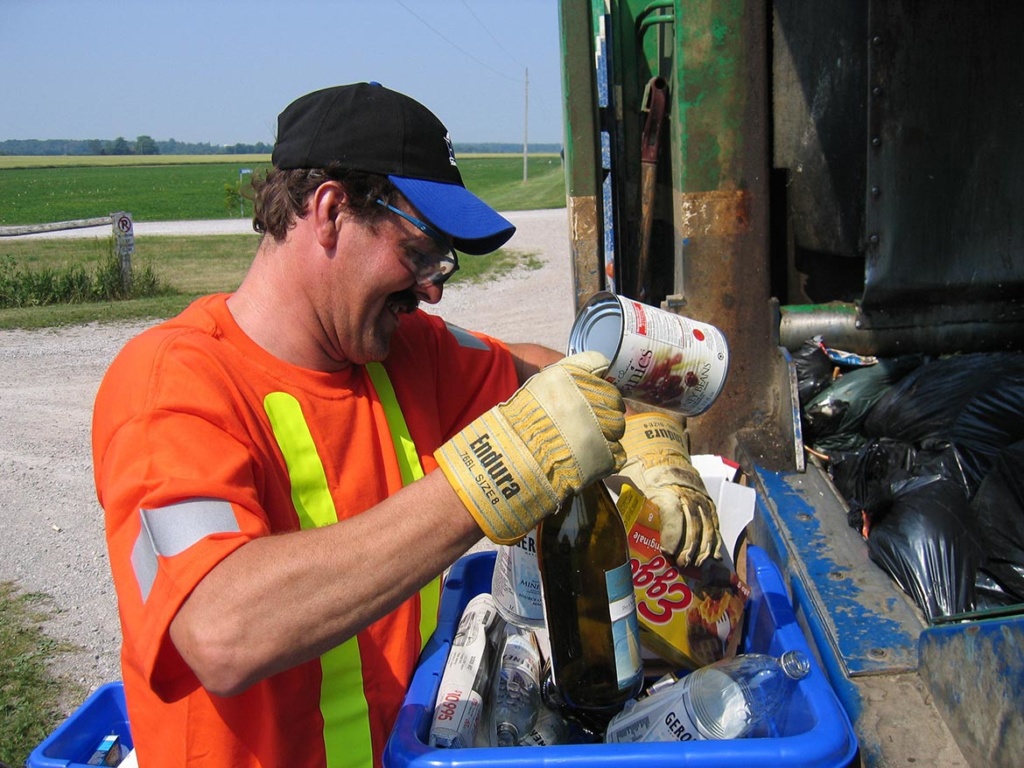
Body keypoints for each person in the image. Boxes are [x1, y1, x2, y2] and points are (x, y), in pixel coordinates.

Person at [92, 82, 721, 768]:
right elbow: (219, 629)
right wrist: (493, 476)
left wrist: (650, 440)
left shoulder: (402, 353)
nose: (432, 287)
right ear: (332, 212)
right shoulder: (170, 384)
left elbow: (566, 380)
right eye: (421, 252)